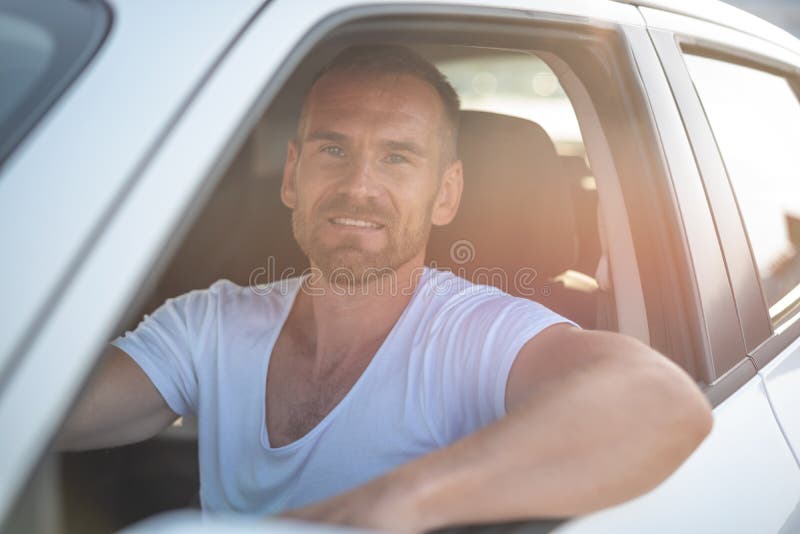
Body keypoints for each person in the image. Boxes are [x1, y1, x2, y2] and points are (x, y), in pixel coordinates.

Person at [58, 45, 713, 533]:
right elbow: (38, 410)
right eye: (333, 150)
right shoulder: (209, 322)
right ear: (293, 176)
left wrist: (383, 508)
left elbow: (666, 403)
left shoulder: (476, 332)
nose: (359, 187)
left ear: (446, 193)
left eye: (398, 157)